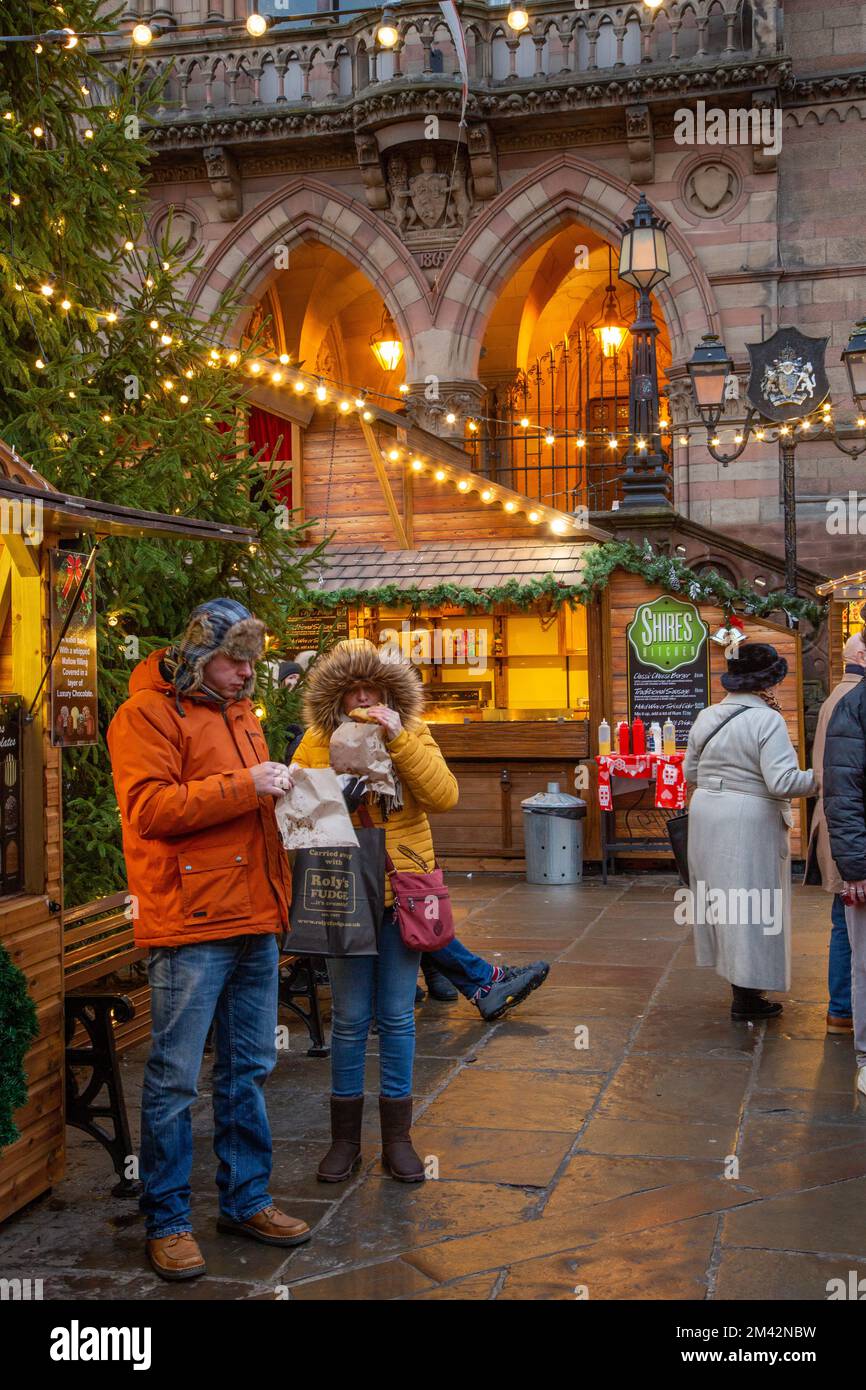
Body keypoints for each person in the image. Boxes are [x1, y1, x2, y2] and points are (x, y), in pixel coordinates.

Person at [107, 598, 310, 1283]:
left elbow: (244, 802)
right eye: (233, 660)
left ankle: (246, 1198)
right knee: (173, 1079)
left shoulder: (240, 710)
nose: (245, 674)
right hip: (191, 921)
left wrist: (290, 794)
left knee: (248, 1069)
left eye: (252, 661)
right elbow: (149, 810)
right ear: (198, 653)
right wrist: (247, 783)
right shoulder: (145, 714)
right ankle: (166, 1220)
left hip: (254, 914)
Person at [292, 638, 457, 1183]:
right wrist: (337, 788)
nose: (363, 697)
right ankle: (344, 1141)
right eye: (353, 690)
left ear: (388, 692)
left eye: (373, 689)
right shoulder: (315, 742)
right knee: (349, 1019)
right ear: (338, 698)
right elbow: (298, 812)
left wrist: (399, 739)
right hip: (343, 892)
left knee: (396, 1017)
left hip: (402, 890)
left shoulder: (413, 733)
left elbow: (444, 797)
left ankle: (398, 1140)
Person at [684, 642, 816, 1021]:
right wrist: (824, 780)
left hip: (706, 814)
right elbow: (783, 781)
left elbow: (692, 773)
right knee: (754, 906)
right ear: (768, 683)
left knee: (725, 903)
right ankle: (746, 996)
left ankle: (742, 990)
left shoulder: (707, 715)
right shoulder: (767, 720)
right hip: (748, 818)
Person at [804, 632, 866, 1034]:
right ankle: (843, 1008)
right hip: (848, 827)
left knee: (844, 918)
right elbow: (845, 782)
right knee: (848, 920)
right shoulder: (850, 700)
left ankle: (842, 1009)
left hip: (840, 824)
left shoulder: (836, 698)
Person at [822, 660, 866, 1097]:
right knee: (864, 958)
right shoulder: (854, 706)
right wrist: (855, 867)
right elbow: (844, 790)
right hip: (863, 855)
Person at [278, 659, 306, 765]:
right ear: (281, 681)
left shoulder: (307, 705)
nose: (296, 681)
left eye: (299, 678)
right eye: (291, 677)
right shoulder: (275, 705)